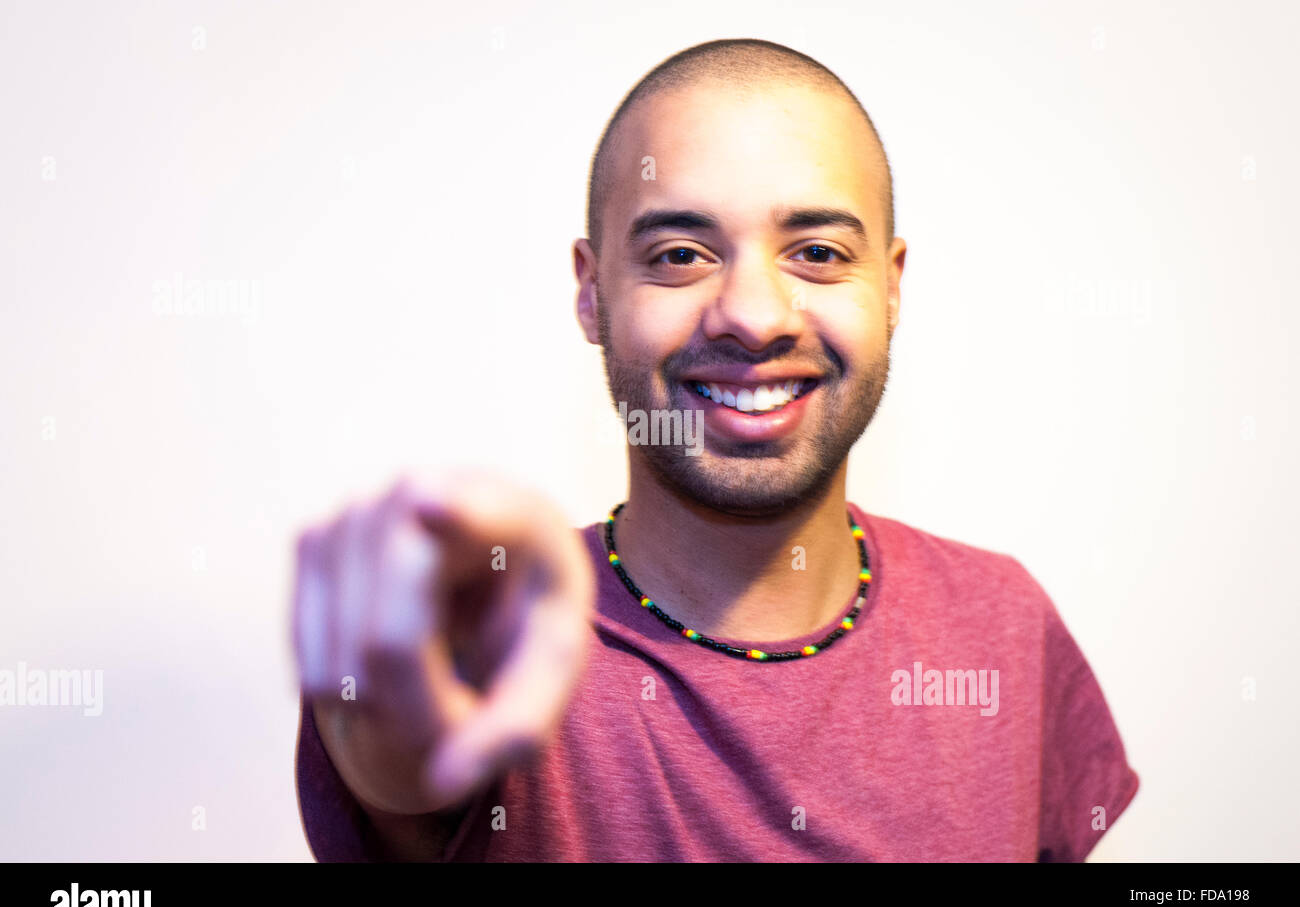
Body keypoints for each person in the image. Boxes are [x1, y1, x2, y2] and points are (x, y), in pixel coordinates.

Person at [292, 38, 1139, 862]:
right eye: (680, 255)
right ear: (592, 293)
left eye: (817, 252)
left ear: (890, 285)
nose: (756, 313)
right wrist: (389, 683)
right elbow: (402, 763)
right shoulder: (489, 639)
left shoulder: (1002, 620)